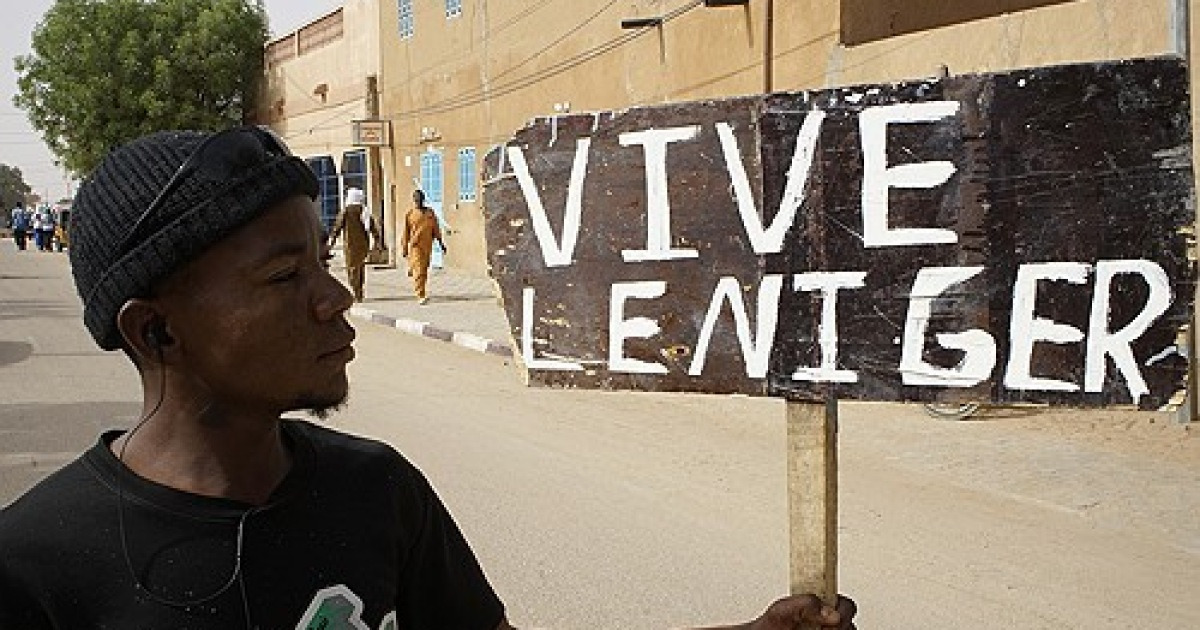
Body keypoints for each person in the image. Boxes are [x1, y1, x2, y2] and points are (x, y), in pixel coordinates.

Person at [0, 127, 856, 629]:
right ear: (156, 330)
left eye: (323, 261)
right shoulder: (35, 565)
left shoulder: (375, 490)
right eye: (284, 276)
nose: (334, 298)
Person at [401, 189, 446, 305]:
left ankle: (413, 269)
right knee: (420, 270)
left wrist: (441, 243)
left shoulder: (430, 213)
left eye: (419, 199)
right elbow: (406, 233)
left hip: (427, 246)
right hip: (415, 246)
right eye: (416, 200)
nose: (418, 202)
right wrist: (404, 247)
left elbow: (436, 229)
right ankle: (420, 294)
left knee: (424, 270)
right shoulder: (410, 214)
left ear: (423, 200)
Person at [327, 186, 370, 301]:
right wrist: (378, 242)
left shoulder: (346, 211)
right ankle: (359, 290)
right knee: (360, 268)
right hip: (363, 245)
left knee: (352, 268)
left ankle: (356, 291)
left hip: (350, 245)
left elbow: (337, 227)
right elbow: (372, 227)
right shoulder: (364, 211)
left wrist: (332, 242)